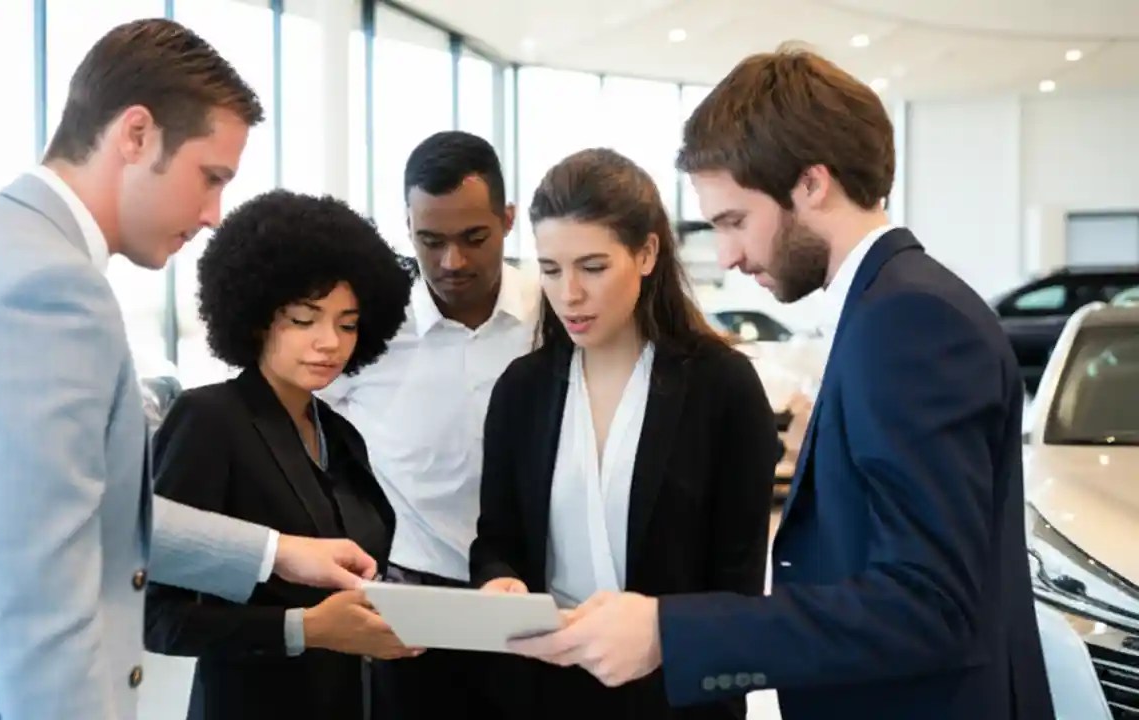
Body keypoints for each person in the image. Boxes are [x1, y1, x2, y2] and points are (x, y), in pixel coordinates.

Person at [509, 47, 1055, 720]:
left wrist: (666, 633)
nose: (729, 256)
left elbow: (930, 604)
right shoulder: (890, 305)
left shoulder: (910, 319)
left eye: (735, 221)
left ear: (812, 184)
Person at [0, 20, 375, 720]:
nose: (213, 214)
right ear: (136, 135)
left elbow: (74, 507)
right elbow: (42, 607)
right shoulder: (47, 288)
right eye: (210, 177)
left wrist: (274, 553)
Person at [472, 148, 778, 719]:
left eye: (593, 267)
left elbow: (735, 590)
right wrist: (500, 583)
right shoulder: (522, 390)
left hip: (675, 698)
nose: (569, 293)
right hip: (542, 690)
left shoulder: (722, 388)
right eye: (550, 269)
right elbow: (496, 540)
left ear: (647, 254)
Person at [144, 190, 418, 719]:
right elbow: (156, 618)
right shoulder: (209, 421)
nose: (329, 342)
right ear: (258, 318)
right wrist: (305, 630)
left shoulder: (340, 435)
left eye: (347, 323)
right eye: (304, 319)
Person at [319, 130, 539, 719]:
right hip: (411, 599)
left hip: (531, 590)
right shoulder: (369, 331)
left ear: (508, 219)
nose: (452, 262)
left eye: (474, 238)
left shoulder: (552, 314)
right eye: (431, 240)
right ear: (408, 226)